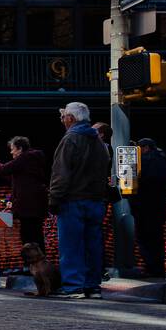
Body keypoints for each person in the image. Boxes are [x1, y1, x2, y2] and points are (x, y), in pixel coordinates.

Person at [48, 102, 111, 298]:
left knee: (71, 245)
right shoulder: (99, 143)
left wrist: (54, 199)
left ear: (71, 118)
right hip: (95, 201)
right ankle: (93, 286)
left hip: (72, 200)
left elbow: (61, 173)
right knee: (93, 244)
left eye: (63, 116)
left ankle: (73, 286)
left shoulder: (70, 140)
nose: (62, 120)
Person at [0, 136, 49, 251]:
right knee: (36, 235)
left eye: (12, 149)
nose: (11, 152)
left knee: (29, 237)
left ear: (20, 149)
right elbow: (11, 176)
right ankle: (39, 263)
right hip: (35, 206)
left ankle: (33, 264)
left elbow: (4, 169)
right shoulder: (31, 161)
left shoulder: (25, 158)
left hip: (28, 207)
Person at [133, 139, 166, 278]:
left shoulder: (144, 161)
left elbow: (137, 182)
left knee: (144, 238)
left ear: (146, 148)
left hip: (144, 206)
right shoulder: (163, 159)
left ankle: (150, 268)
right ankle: (158, 267)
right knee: (157, 237)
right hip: (159, 206)